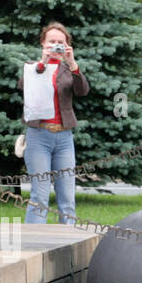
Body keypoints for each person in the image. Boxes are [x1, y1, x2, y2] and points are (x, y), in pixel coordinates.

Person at [18, 21, 89, 224]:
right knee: (39, 197)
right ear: (43, 43)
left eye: (60, 42)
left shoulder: (68, 70)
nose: (56, 45)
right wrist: (44, 62)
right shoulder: (33, 68)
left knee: (67, 197)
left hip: (64, 137)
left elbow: (82, 90)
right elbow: (23, 86)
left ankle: (68, 244)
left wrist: (73, 63)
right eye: (52, 42)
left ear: (66, 46)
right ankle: (34, 245)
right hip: (38, 136)